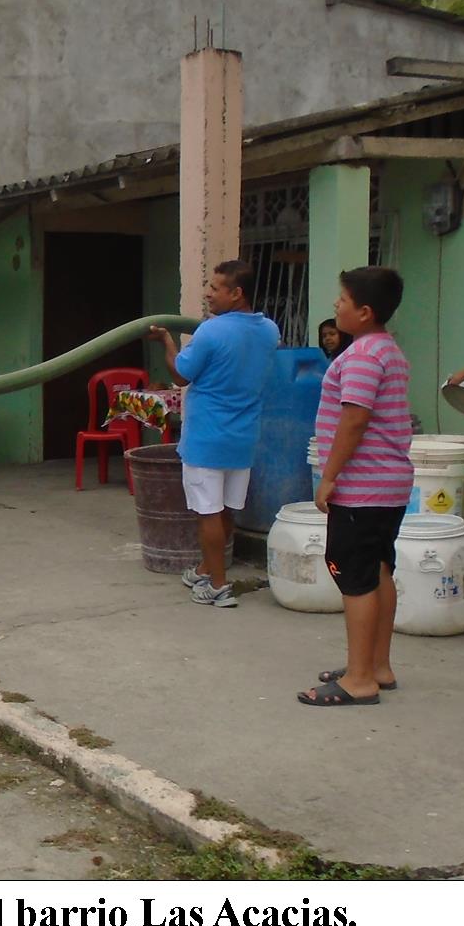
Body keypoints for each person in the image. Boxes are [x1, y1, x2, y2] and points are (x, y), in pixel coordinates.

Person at [299, 267, 413, 707]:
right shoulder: (388, 350)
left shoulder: (364, 355)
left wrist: (328, 477)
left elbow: (355, 418)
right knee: (379, 570)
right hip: (387, 486)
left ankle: (360, 680)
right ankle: (376, 666)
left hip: (362, 488)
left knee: (356, 579)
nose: (336, 305)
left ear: (364, 312)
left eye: (342, 299)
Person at [147, 259, 280, 607]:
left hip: (207, 437)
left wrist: (166, 342)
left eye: (215, 288)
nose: (208, 294)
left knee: (207, 512)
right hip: (243, 436)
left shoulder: (211, 331)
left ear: (237, 294)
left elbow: (181, 375)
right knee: (226, 511)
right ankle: (208, 568)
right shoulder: (270, 331)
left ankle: (219, 585)